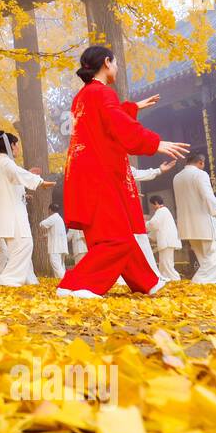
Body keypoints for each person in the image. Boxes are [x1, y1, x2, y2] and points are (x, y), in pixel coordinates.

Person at [56, 46, 189, 298]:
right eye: (114, 63)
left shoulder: (82, 96)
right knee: (116, 239)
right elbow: (116, 123)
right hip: (99, 174)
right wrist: (154, 143)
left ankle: (148, 282)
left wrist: (132, 106)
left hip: (84, 172)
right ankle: (76, 284)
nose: (116, 67)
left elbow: (101, 120)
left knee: (112, 234)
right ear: (107, 62)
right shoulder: (103, 93)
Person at [0, 131, 54, 287]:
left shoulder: (3, 163)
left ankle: (27, 279)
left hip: (11, 214)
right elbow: (16, 173)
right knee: (25, 244)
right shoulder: (5, 162)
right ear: (11, 145)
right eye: (16, 145)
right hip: (12, 216)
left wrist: (25, 193)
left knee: (19, 248)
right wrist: (39, 181)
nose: (18, 148)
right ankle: (8, 280)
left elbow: (13, 182)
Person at [173, 153, 216, 284]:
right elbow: (207, 196)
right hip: (205, 221)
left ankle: (212, 281)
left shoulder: (177, 177)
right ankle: (201, 281)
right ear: (200, 162)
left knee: (204, 257)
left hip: (187, 224)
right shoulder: (200, 174)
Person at [146, 195, 182, 281]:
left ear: (156, 203)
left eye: (152, 205)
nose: (152, 207)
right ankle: (166, 280)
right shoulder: (164, 211)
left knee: (167, 264)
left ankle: (176, 280)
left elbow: (153, 224)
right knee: (164, 263)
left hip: (167, 241)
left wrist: (144, 224)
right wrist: (149, 236)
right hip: (167, 241)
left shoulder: (161, 211)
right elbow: (158, 227)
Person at [38, 202, 68, 279]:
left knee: (55, 263)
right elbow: (57, 231)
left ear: (50, 210)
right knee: (61, 265)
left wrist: (40, 224)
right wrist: (47, 235)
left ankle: (64, 280)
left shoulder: (53, 217)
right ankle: (61, 280)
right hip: (61, 246)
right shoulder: (59, 218)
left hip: (56, 246)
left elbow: (43, 224)